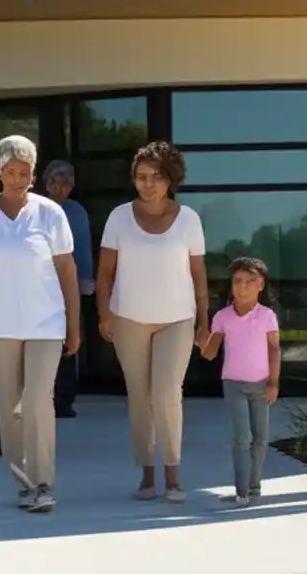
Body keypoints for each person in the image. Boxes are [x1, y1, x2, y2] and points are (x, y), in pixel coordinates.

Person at [0, 135, 82, 513]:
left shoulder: (50, 214)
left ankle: (44, 482)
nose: (17, 178)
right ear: (0, 171)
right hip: (0, 326)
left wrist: (74, 325)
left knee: (39, 401)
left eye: (24, 172)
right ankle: (24, 483)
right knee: (10, 407)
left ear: (33, 172)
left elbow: (68, 273)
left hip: (46, 324)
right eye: (10, 171)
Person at [95, 140, 208, 503]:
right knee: (139, 398)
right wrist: (103, 314)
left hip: (177, 318)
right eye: (141, 177)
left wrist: (204, 322)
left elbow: (198, 276)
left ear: (170, 179)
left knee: (166, 394)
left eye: (156, 177)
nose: (147, 184)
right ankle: (147, 476)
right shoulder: (118, 218)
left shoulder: (189, 219)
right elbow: (104, 276)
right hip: (129, 318)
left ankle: (173, 477)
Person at [198, 256, 281, 506]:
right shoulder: (223, 317)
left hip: (261, 383)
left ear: (261, 285)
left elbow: (274, 349)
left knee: (260, 438)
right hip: (233, 384)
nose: (242, 287)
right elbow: (210, 352)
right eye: (237, 281)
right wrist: (200, 339)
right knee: (242, 438)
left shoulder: (267, 316)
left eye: (249, 281)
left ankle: (254, 486)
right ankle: (242, 489)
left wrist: (273, 382)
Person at [42, 160, 94, 418]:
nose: (59, 186)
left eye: (65, 181)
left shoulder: (76, 212)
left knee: (68, 344)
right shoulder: (36, 209)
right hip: (40, 287)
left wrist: (86, 282)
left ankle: (63, 399)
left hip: (69, 288)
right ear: (46, 183)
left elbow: (82, 250)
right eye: (54, 180)